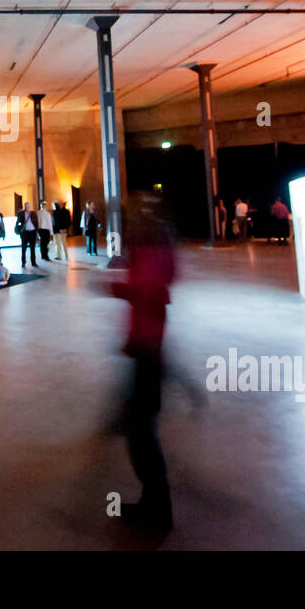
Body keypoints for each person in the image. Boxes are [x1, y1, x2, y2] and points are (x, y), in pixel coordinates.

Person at [108, 193, 178, 533]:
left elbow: (149, 292)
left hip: (147, 345)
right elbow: (162, 288)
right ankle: (155, 502)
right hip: (148, 343)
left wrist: (117, 289)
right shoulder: (160, 245)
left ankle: (157, 508)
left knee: (142, 433)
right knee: (141, 423)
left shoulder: (150, 248)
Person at [17, 201, 39, 268]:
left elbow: (36, 223)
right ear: (24, 207)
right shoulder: (21, 214)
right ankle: (23, 262)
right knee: (24, 248)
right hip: (25, 233)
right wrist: (20, 230)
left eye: (28, 206)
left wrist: (37, 232)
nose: (27, 207)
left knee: (33, 248)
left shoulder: (33, 213)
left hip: (32, 232)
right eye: (26, 206)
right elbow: (18, 222)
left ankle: (33, 262)